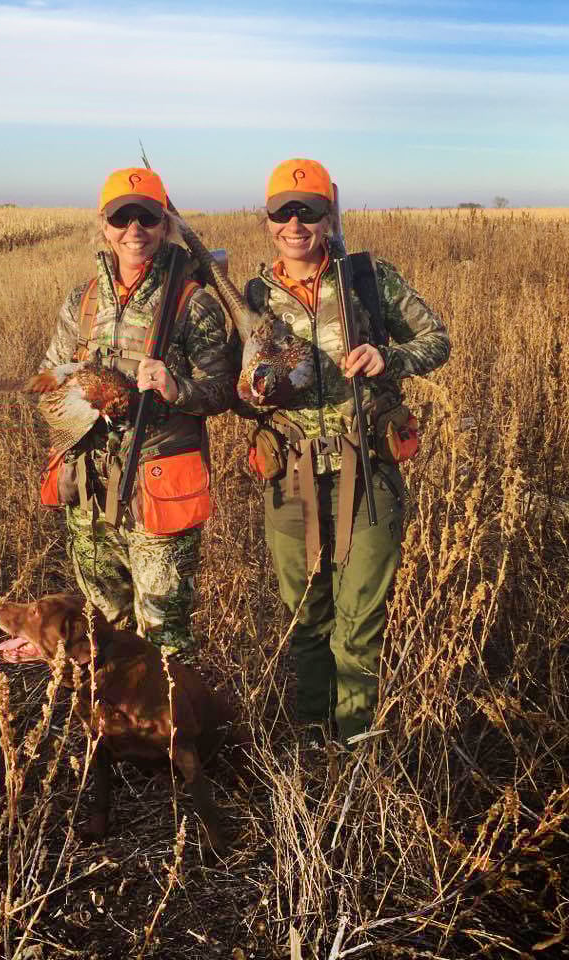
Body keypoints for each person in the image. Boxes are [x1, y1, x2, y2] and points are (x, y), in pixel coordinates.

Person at [243, 158, 451, 745]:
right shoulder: (253, 298)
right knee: (305, 619)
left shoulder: (367, 278)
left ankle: (355, 745)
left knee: (358, 623)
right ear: (267, 220)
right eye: (282, 211)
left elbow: (438, 339)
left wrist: (394, 358)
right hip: (290, 476)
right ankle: (312, 741)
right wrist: (254, 389)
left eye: (307, 210)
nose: (295, 223)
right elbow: (226, 385)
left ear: (328, 216)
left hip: (368, 470)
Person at [39, 167, 236, 660]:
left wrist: (175, 387)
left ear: (164, 224)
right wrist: (79, 402)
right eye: (121, 217)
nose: (134, 230)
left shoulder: (195, 303)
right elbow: (45, 383)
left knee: (163, 636)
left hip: (157, 488)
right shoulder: (80, 301)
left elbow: (223, 391)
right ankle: (110, 731)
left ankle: (171, 735)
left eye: (146, 217)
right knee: (100, 628)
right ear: (103, 224)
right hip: (89, 490)